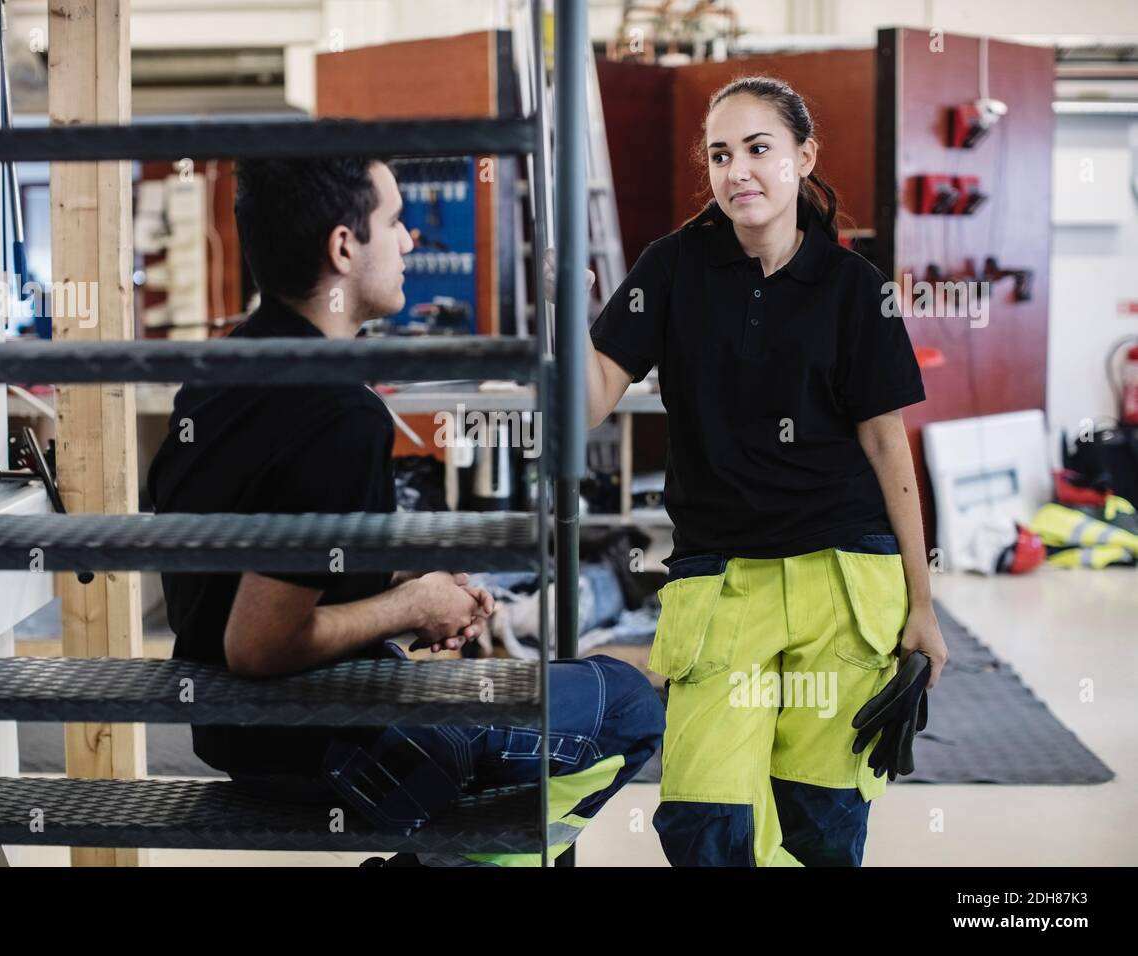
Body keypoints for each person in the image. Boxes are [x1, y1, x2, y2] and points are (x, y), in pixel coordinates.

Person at [147, 155, 664, 866]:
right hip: (324, 741)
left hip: (235, 727)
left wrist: (415, 589)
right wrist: (410, 605)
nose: (411, 242)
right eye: (393, 222)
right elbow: (259, 644)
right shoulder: (337, 415)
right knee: (629, 703)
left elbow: (248, 577)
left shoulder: (221, 372)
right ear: (342, 247)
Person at [572, 75, 949, 866]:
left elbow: (889, 448)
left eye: (758, 148)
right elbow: (593, 400)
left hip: (845, 579)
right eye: (719, 154)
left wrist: (924, 604)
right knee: (705, 820)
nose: (736, 170)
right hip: (720, 581)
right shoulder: (671, 268)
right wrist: (566, 311)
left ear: (803, 157)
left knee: (821, 822)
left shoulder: (855, 288)